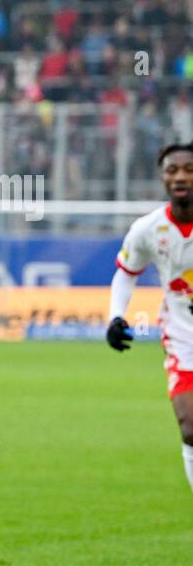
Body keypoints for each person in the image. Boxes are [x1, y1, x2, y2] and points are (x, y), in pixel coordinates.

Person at [108, 142, 193, 494]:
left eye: (188, 169)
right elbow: (127, 272)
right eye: (172, 170)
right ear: (162, 178)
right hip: (182, 338)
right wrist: (115, 317)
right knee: (190, 426)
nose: (180, 176)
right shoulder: (148, 228)